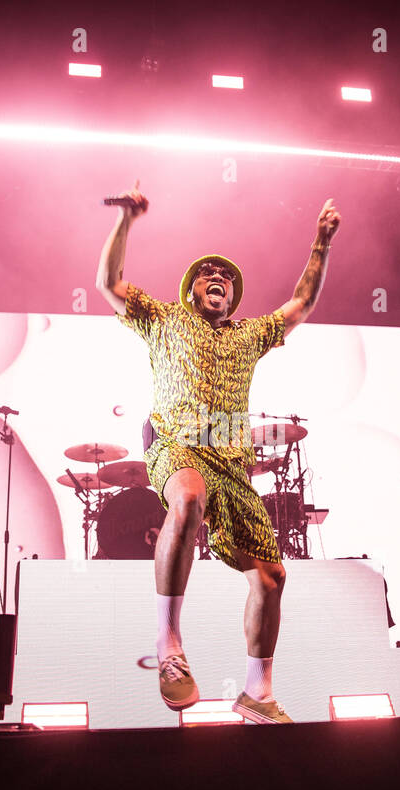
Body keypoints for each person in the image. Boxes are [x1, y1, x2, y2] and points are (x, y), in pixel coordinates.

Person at [96, 180, 340, 723]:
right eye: (210, 274)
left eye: (228, 279)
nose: (220, 281)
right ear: (190, 289)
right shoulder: (163, 320)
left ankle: (258, 693)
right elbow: (108, 281)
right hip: (177, 443)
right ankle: (169, 646)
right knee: (186, 496)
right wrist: (126, 221)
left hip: (232, 466)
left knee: (272, 578)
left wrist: (320, 244)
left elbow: (300, 304)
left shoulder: (247, 336)